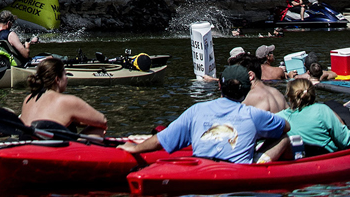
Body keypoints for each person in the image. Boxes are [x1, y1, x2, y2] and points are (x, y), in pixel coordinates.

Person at [120, 64, 289, 165]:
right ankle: (260, 167)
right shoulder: (254, 114)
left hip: (201, 168)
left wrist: (135, 148)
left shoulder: (196, 110)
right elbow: (285, 126)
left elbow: (160, 140)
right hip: (236, 176)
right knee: (284, 138)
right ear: (245, 91)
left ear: (219, 87)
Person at [18, 56, 107, 134]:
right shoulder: (66, 101)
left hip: (27, 148)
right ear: (57, 79)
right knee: (99, 128)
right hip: (51, 151)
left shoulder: (28, 99)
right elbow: (102, 120)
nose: (67, 77)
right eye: (65, 74)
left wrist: (73, 119)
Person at [284, 76, 350, 154]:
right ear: (312, 94)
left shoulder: (280, 117)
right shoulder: (322, 110)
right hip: (327, 158)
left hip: (298, 160)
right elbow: (345, 141)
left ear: (289, 98)